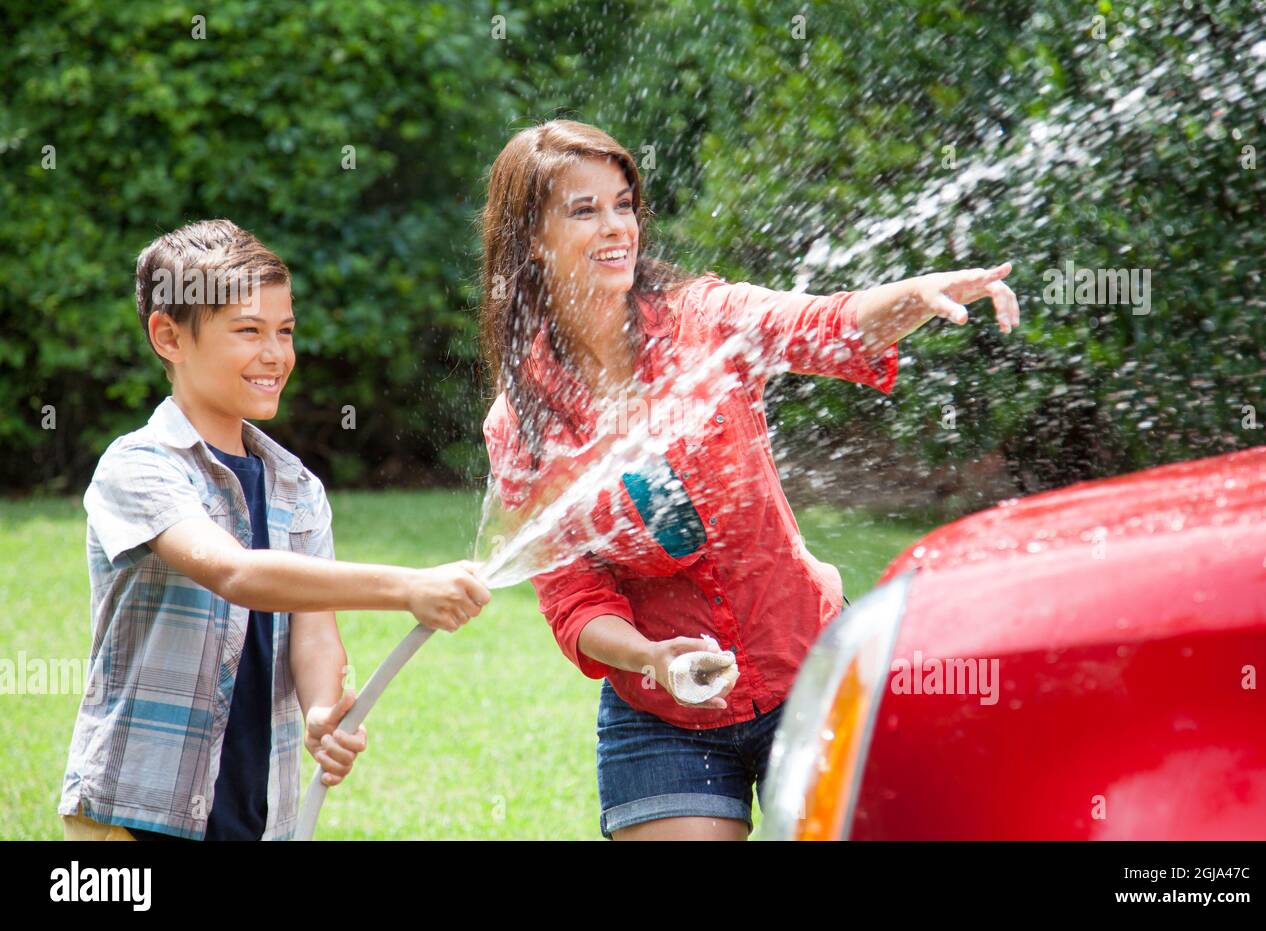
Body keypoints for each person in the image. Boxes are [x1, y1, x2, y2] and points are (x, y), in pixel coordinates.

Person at [479, 120, 1020, 840]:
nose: (617, 228)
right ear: (533, 240)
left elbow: (824, 325)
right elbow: (575, 595)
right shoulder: (522, 421)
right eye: (585, 210)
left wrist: (913, 295)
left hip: (811, 674)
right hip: (666, 712)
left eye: (623, 203)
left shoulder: (704, 318)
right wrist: (651, 658)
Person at [60, 219, 490, 841]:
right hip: (134, 810)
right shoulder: (137, 467)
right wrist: (409, 586)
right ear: (168, 337)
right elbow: (235, 571)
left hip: (258, 815)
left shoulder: (297, 489)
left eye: (285, 331)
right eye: (248, 331)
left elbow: (314, 633)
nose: (276, 354)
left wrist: (320, 710)